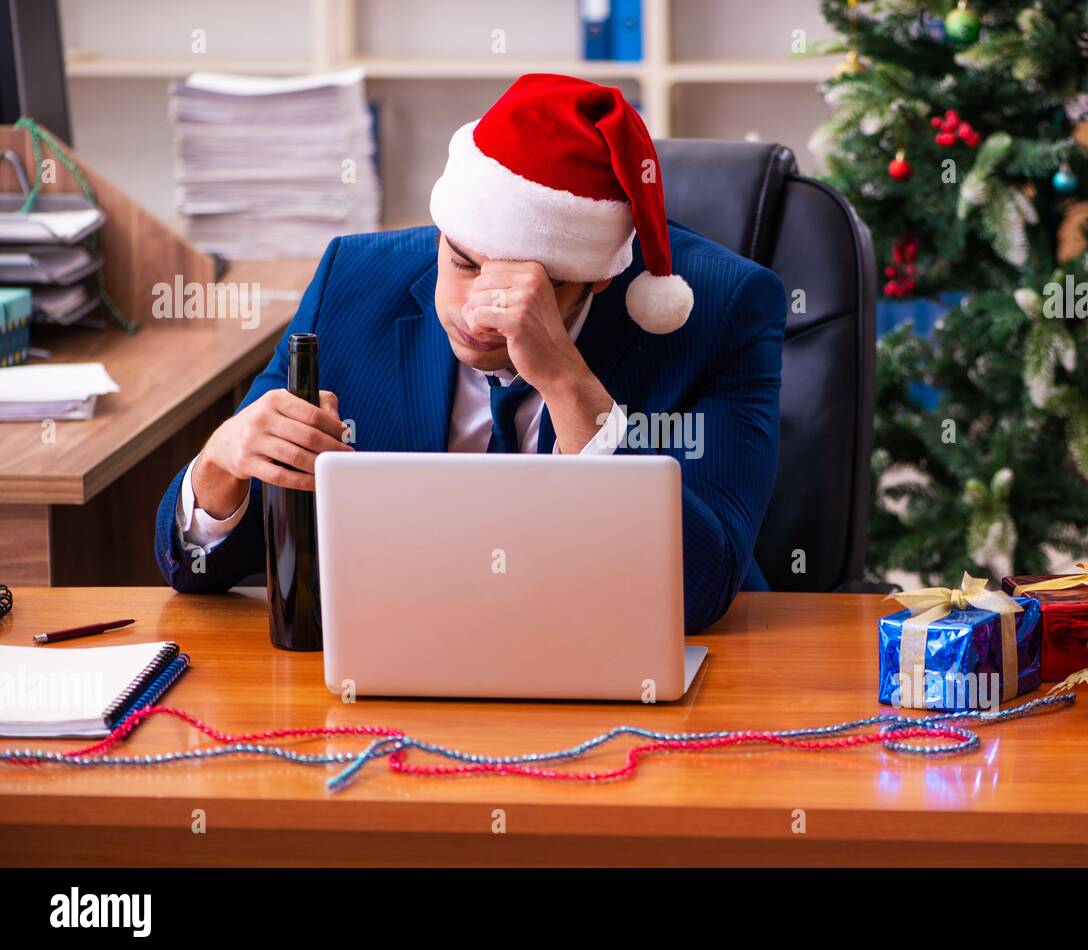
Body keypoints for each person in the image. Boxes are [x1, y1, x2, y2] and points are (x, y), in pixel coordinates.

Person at [154, 73, 786, 634]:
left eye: (531, 290)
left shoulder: (725, 311)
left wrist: (568, 382)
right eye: (461, 263)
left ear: (597, 276)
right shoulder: (353, 281)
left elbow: (698, 595)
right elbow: (198, 570)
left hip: (620, 661)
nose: (478, 309)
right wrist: (221, 464)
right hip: (411, 651)